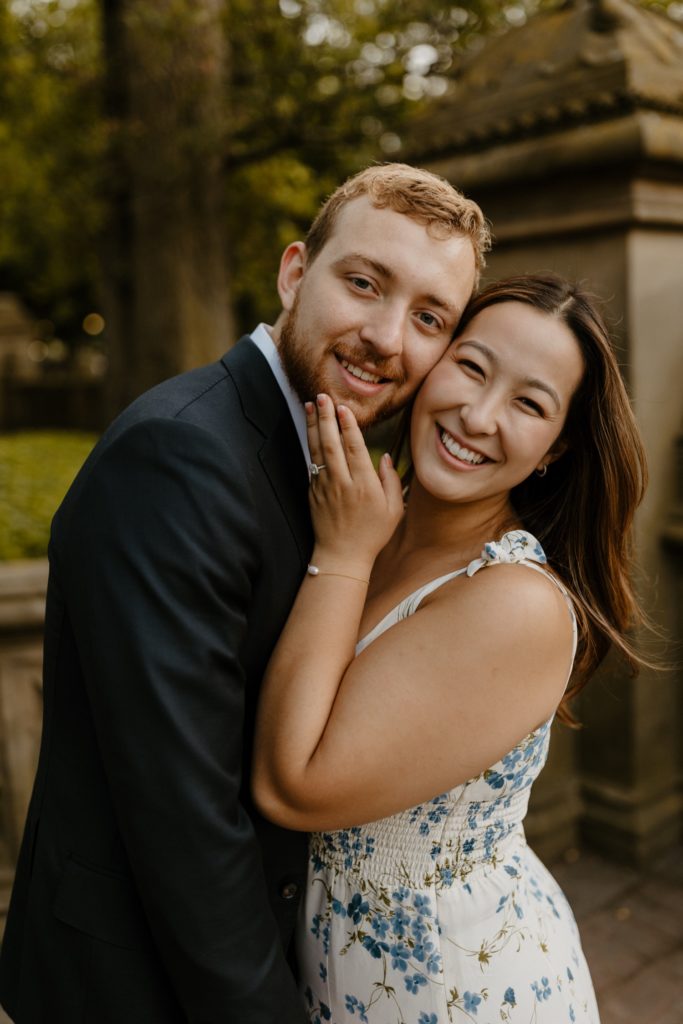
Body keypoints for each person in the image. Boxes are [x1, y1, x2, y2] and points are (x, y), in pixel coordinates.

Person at [0, 165, 489, 1024]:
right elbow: (184, 819)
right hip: (135, 981)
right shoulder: (180, 458)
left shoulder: (326, 462)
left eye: (427, 318)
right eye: (363, 282)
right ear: (295, 272)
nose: (385, 337)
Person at [252, 273, 649, 1024]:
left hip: (448, 987)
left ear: (552, 449)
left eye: (529, 403)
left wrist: (340, 554)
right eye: (469, 365)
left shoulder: (514, 603)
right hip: (335, 967)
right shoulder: (374, 518)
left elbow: (292, 786)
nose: (478, 413)